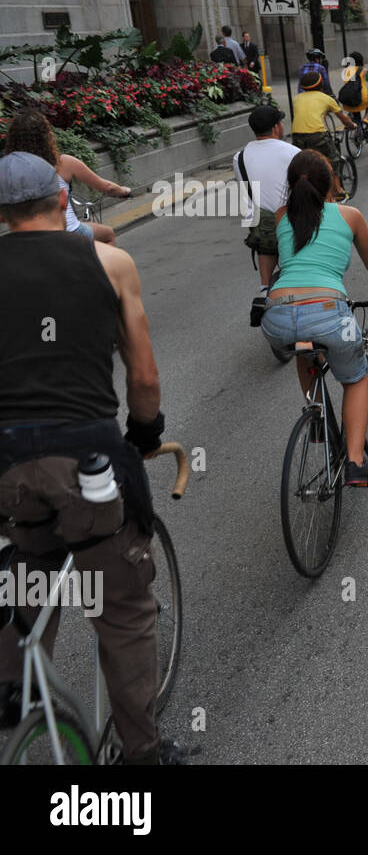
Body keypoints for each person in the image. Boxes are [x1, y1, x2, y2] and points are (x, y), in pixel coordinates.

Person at [0, 151, 185, 765]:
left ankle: (13, 692)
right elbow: (144, 374)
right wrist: (144, 432)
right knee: (123, 608)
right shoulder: (109, 262)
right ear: (61, 200)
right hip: (86, 460)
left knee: (29, 560)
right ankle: (142, 756)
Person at [261, 150, 368, 486]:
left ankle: (318, 418)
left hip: (278, 314)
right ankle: (355, 463)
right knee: (355, 380)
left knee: (305, 349)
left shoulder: (282, 215)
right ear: (331, 184)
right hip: (328, 311)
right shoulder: (350, 215)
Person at [2, 109, 124, 246]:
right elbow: (107, 187)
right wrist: (125, 191)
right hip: (70, 231)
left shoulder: (8, 172)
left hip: (25, 237)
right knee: (108, 234)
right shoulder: (63, 163)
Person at [236, 105, 299, 315]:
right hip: (291, 222)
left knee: (266, 244)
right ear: (276, 127)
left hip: (259, 224)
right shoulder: (293, 152)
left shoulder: (240, 157)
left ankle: (264, 288)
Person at [291, 71, 354, 194]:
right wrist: (352, 125)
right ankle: (337, 189)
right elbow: (343, 119)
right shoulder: (326, 98)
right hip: (316, 134)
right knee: (333, 159)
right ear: (321, 84)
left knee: (302, 162)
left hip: (297, 135)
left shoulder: (297, 99)